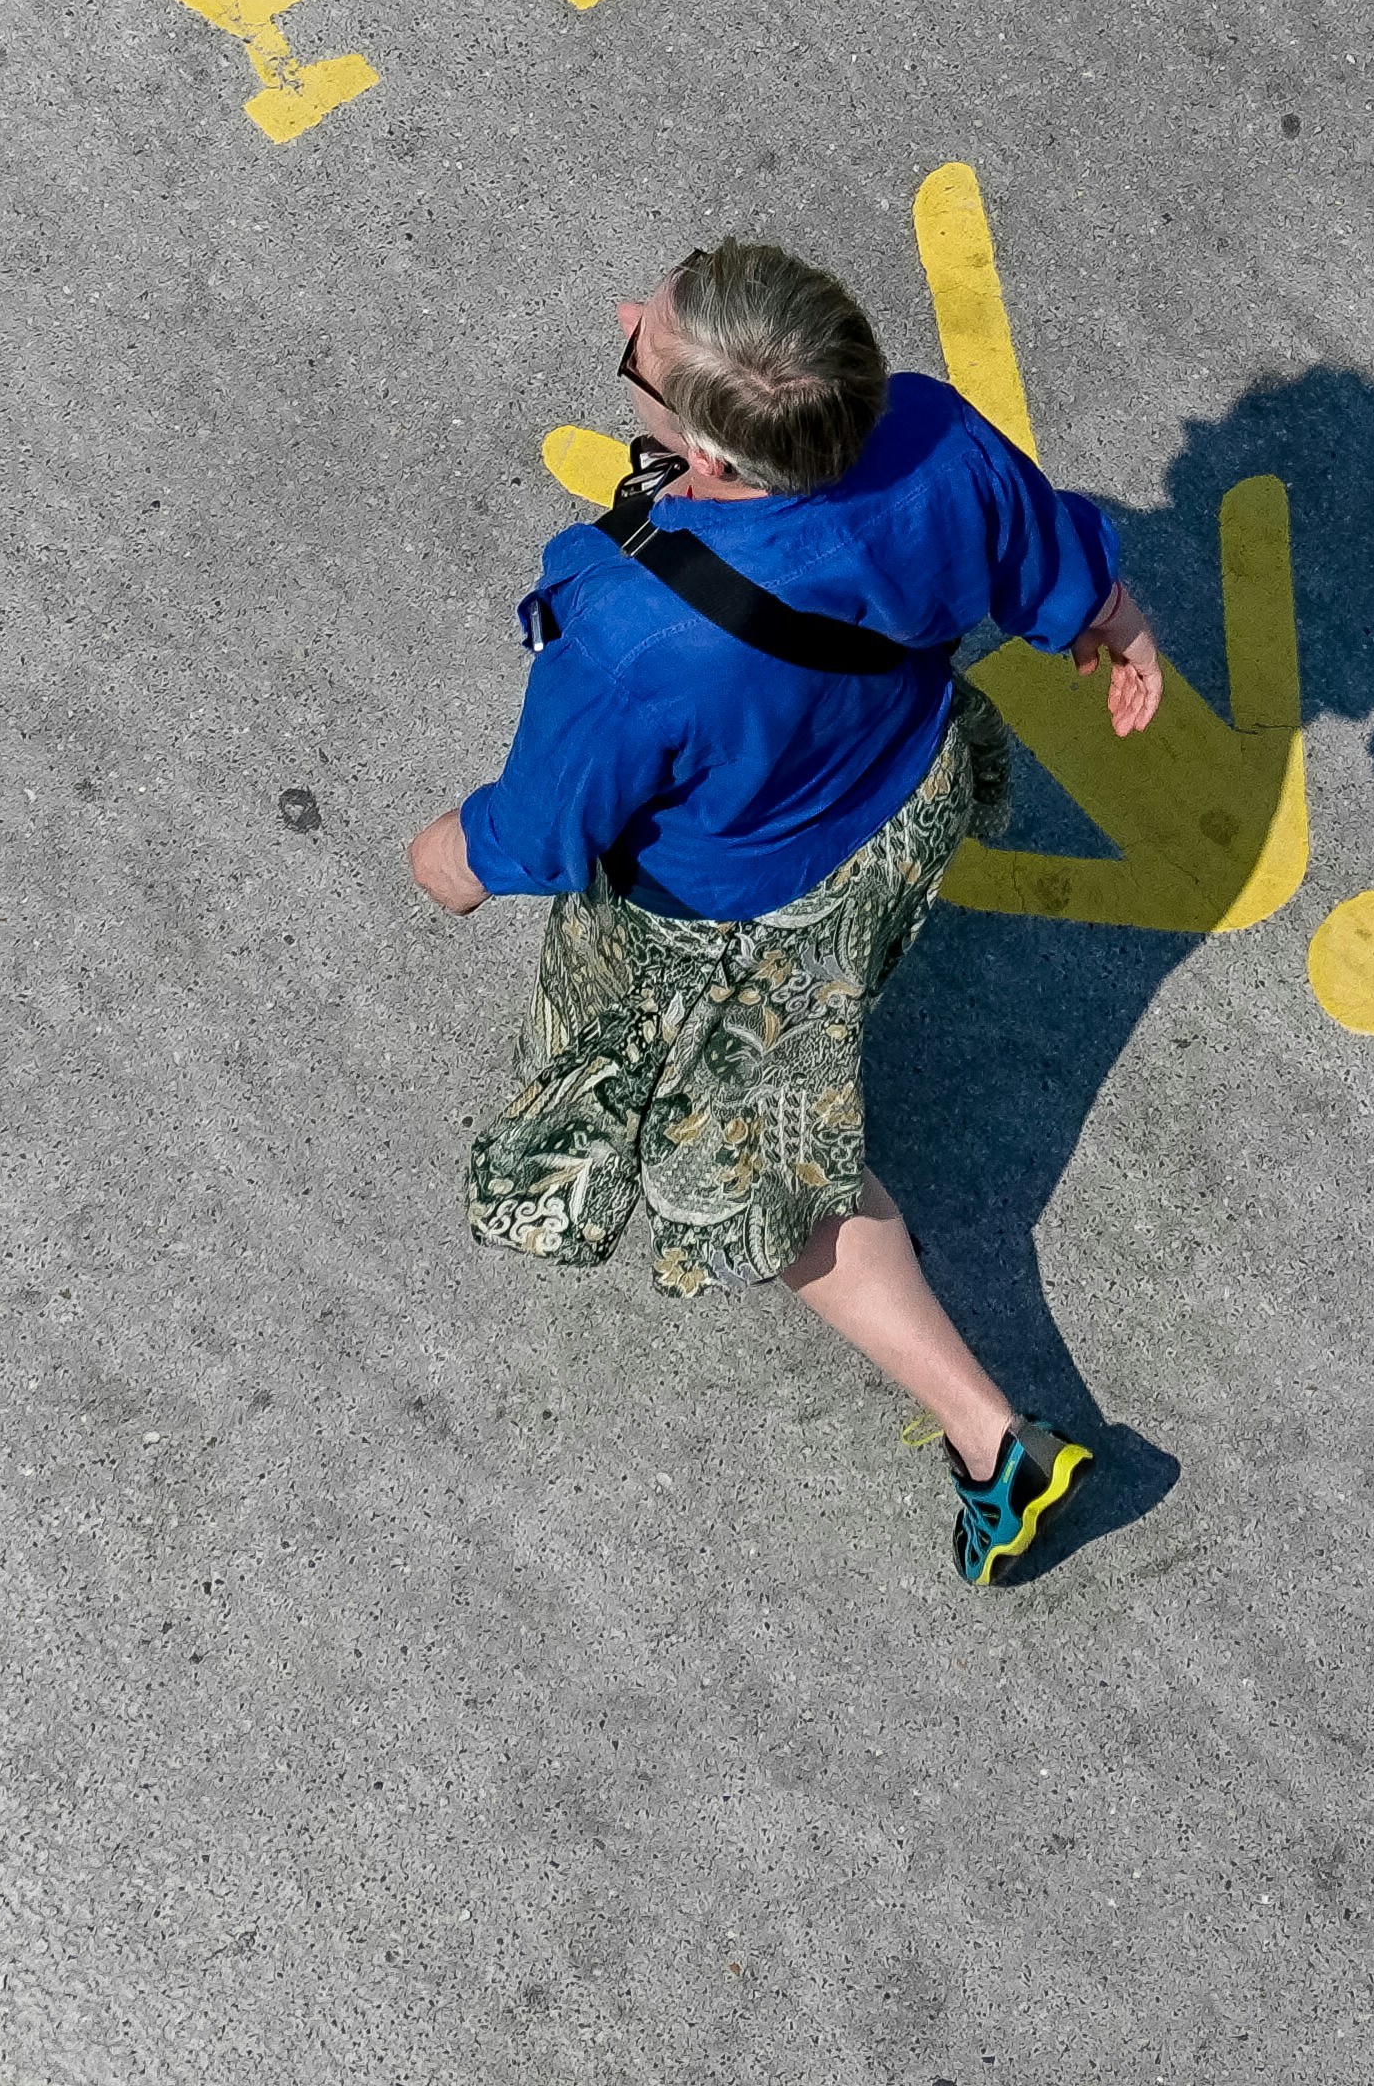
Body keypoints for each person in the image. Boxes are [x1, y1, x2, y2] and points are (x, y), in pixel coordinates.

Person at [407, 238, 1167, 1586]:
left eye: (640, 342)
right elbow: (1043, 550)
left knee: (773, 1178)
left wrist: (452, 858)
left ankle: (998, 1445)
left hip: (735, 918)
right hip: (901, 802)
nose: (626, 308)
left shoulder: (640, 627)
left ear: (711, 461)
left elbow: (544, 827)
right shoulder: (925, 429)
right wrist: (1113, 623)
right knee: (829, 1036)